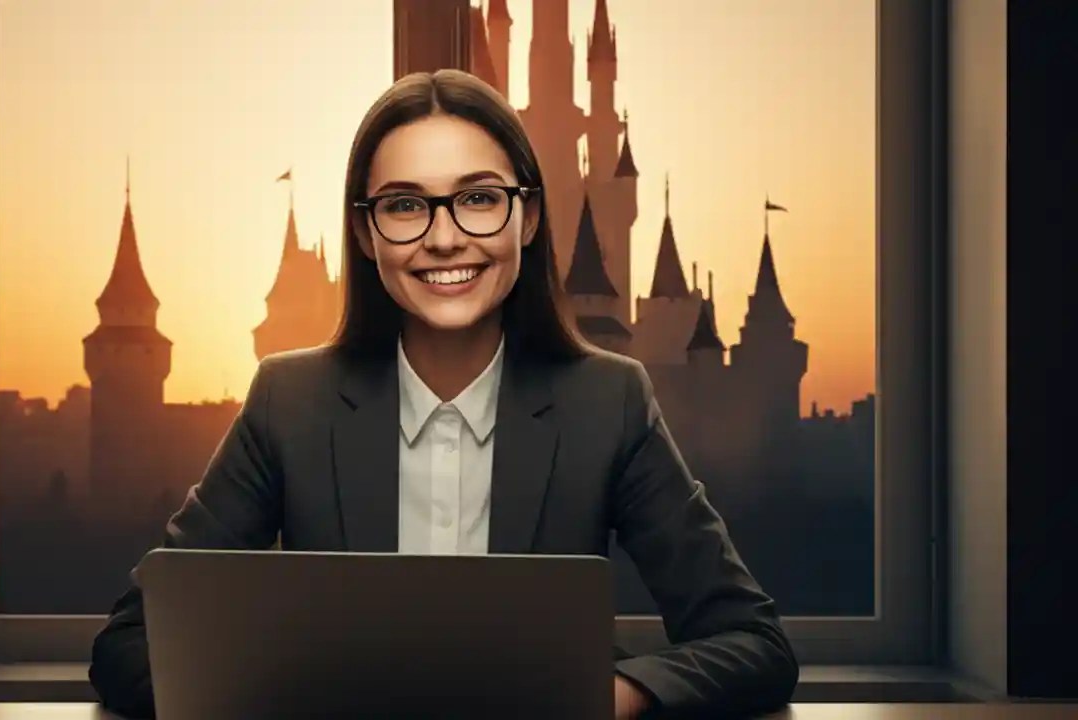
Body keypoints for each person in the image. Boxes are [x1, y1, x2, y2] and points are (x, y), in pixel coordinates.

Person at [89, 69, 798, 719]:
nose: (444, 238)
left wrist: (613, 697)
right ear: (367, 233)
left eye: (479, 199)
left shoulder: (608, 401)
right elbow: (127, 645)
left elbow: (752, 643)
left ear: (526, 219)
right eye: (405, 206)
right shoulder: (290, 401)